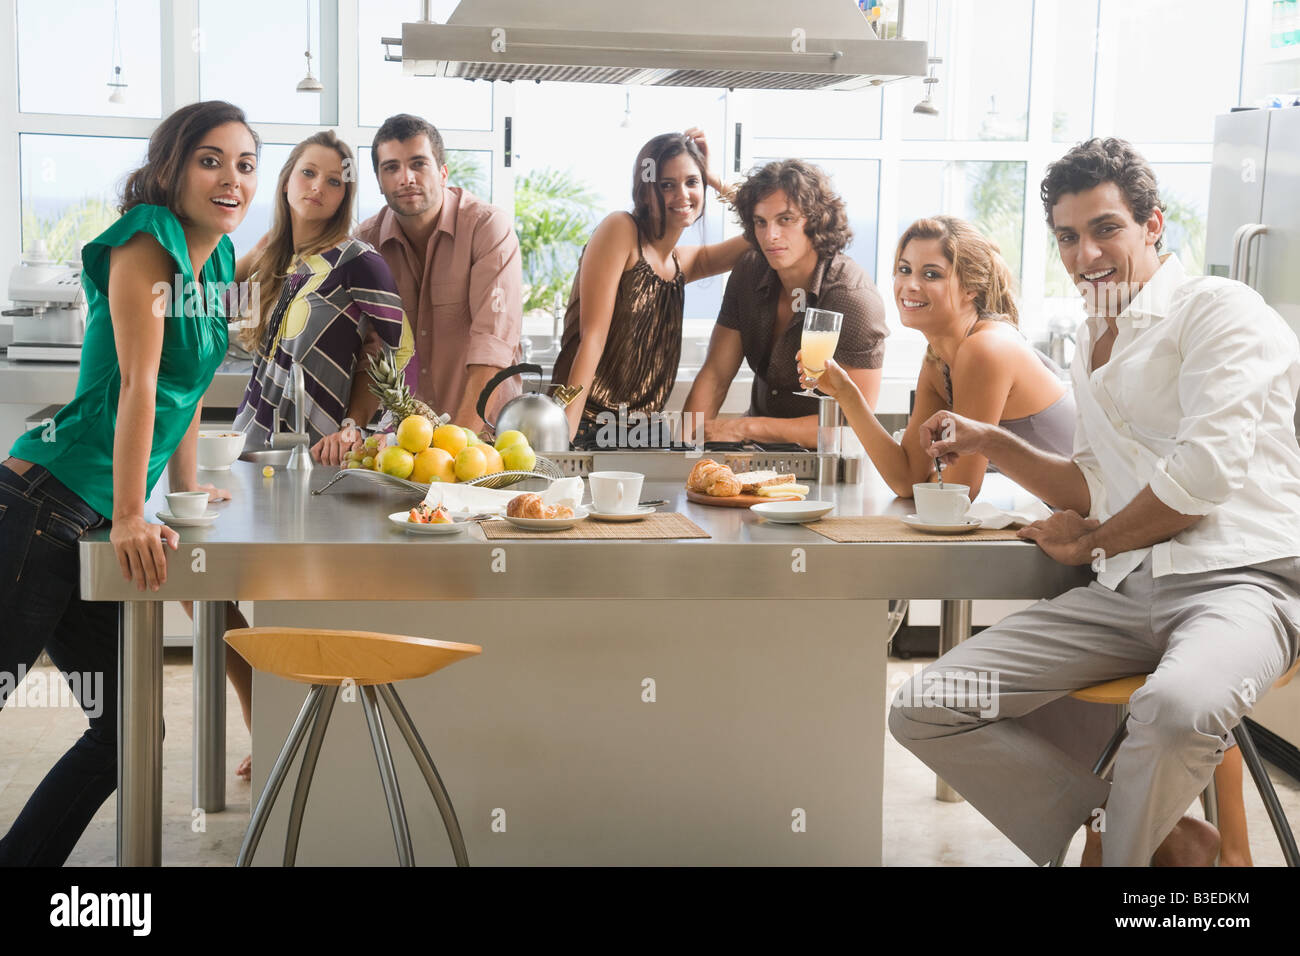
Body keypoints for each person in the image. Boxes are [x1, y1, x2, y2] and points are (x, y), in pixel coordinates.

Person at [892, 138, 1300, 867]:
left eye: (1105, 228)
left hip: (1243, 584)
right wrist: (996, 441)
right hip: (1127, 596)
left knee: (1176, 708)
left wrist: (1094, 540)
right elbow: (1094, 486)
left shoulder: (1220, 310)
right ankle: (1148, 833)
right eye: (1068, 238)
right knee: (932, 702)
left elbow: (1201, 478)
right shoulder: (1092, 340)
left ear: (1153, 225)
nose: (1086, 255)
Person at [0, 101, 259, 865]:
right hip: (43, 505)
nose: (231, 178)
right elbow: (142, 384)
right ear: (172, 166)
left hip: (78, 518)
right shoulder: (145, 242)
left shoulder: (214, 259)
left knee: (126, 734)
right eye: (211, 159)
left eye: (245, 163)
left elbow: (186, 395)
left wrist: (179, 496)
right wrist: (127, 516)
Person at [195, 130, 413, 779]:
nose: (318, 188)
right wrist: (255, 247)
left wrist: (352, 425)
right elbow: (202, 301)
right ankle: (259, 708)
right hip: (252, 443)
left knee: (288, 598)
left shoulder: (360, 261)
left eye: (335, 179)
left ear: (347, 193)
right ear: (286, 179)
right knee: (204, 585)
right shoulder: (276, 261)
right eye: (307, 174)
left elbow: (395, 356)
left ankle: (295, 743)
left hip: (316, 459)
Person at [798, 215, 1067, 496]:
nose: (910, 285)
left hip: (1088, 514)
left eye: (931, 274)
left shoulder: (985, 349)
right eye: (904, 269)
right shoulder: (938, 360)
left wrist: (927, 484)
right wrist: (845, 393)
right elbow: (905, 479)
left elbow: (955, 492)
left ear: (970, 287)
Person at [551, 129, 751, 444]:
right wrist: (563, 440)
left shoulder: (683, 263)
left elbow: (762, 227)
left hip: (645, 437)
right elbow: (593, 339)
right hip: (590, 427)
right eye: (667, 185)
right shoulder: (620, 231)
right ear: (645, 192)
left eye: (691, 182)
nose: (683, 195)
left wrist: (711, 177)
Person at [684, 159, 887, 448]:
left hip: (826, 466)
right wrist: (680, 451)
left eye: (786, 219)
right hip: (753, 454)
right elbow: (716, 375)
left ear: (816, 221)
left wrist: (746, 427)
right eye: (760, 222)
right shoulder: (749, 271)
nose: (771, 236)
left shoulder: (853, 297)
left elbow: (850, 426)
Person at [356, 114, 521, 433]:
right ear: (379, 181)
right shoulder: (367, 242)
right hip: (403, 443)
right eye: (391, 167)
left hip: (484, 437)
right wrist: (354, 425)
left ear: (442, 172)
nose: (406, 178)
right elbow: (370, 351)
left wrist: (458, 443)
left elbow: (492, 344)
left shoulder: (487, 228)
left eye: (418, 164)